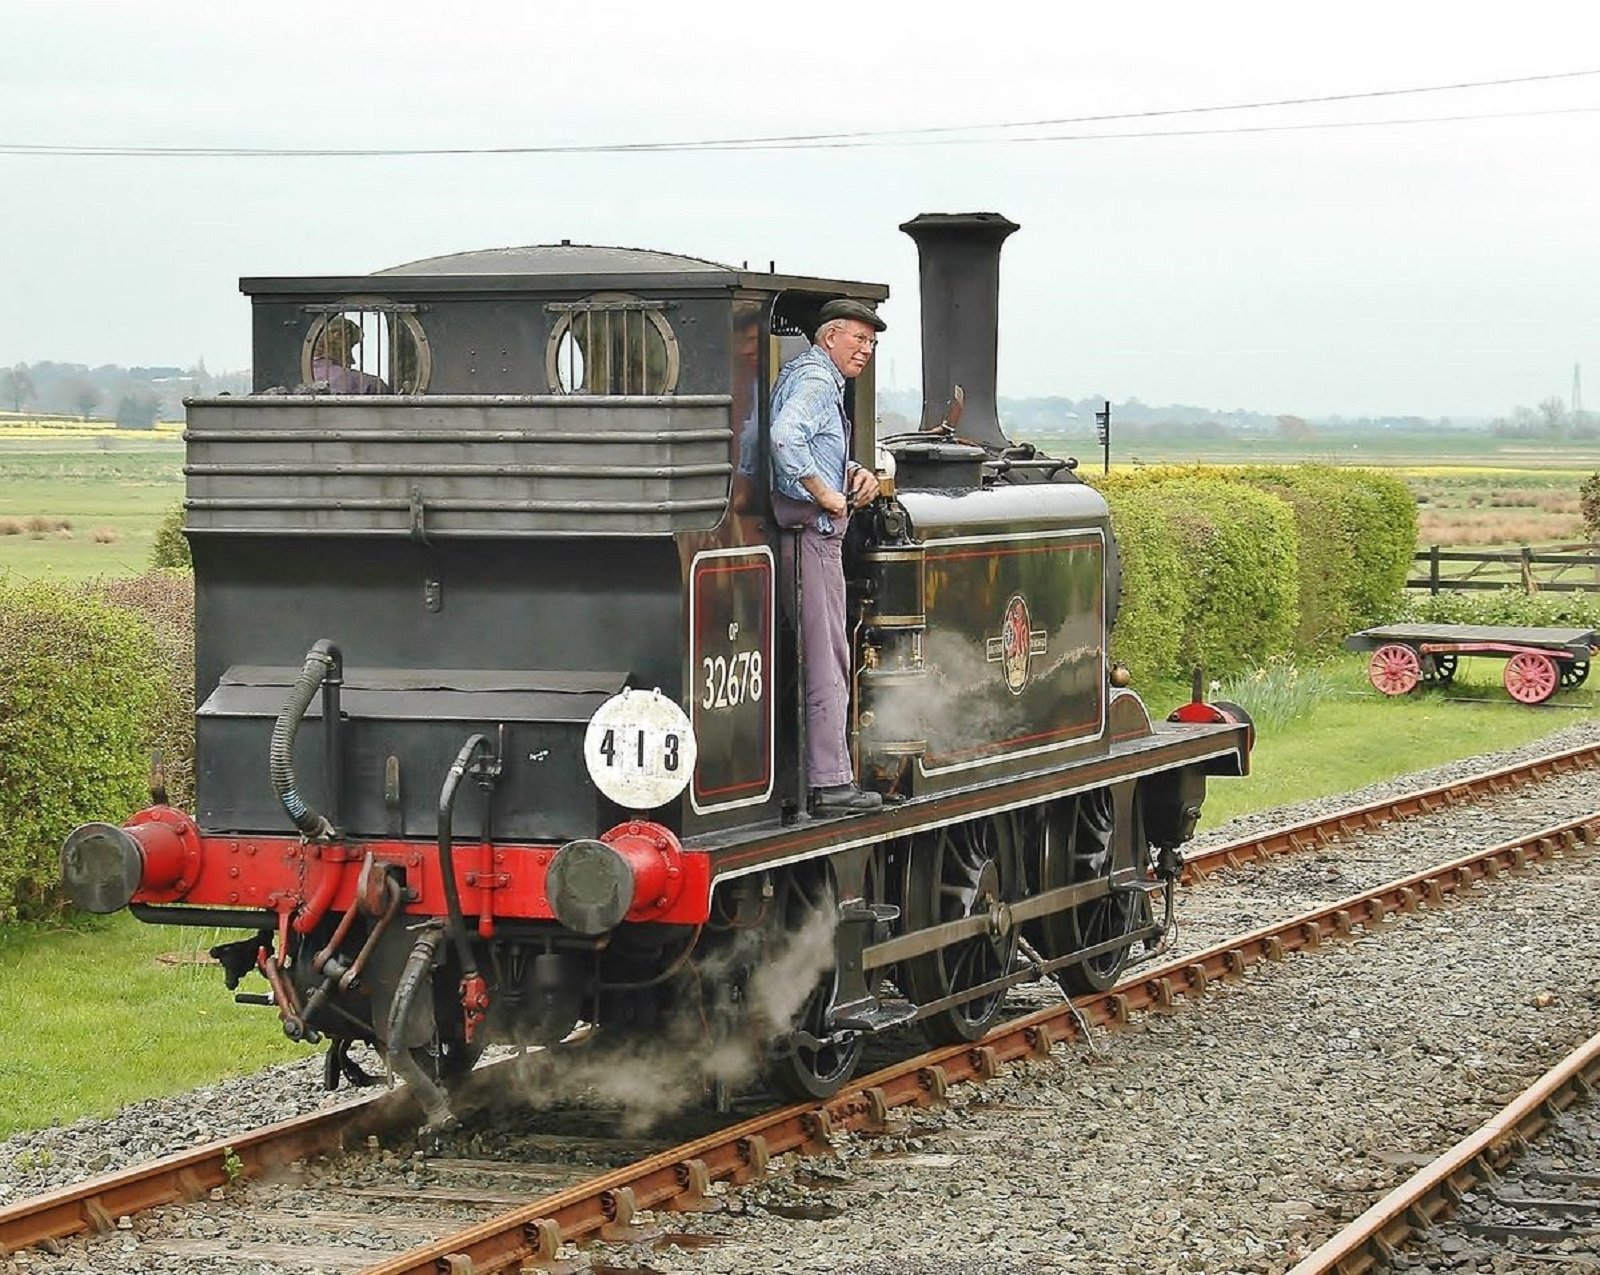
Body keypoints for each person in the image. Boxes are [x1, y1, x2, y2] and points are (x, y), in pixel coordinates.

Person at [769, 299, 885, 812]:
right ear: (830, 335)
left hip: (806, 532)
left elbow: (809, 441)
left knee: (827, 652)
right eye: (859, 340)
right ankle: (830, 777)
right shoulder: (817, 383)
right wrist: (825, 493)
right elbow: (784, 437)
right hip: (812, 536)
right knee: (828, 654)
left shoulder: (806, 375)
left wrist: (853, 471)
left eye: (872, 343)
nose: (866, 350)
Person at [311, 317, 389, 394]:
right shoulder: (368, 384)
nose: (353, 361)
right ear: (340, 342)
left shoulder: (302, 376)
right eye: (350, 347)